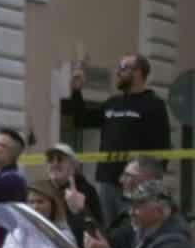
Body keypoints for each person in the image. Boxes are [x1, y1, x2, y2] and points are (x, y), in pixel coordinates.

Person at [64, 54, 172, 215]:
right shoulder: (113, 103)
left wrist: (151, 182)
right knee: (109, 228)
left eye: (123, 68)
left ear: (138, 72)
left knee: (134, 226)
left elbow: (163, 147)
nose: (118, 72)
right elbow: (82, 121)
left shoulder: (154, 104)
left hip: (136, 183)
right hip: (108, 181)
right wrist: (77, 91)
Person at [44, 143, 104, 236]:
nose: (55, 164)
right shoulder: (43, 189)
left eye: (60, 159)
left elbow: (97, 229)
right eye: (50, 160)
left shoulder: (85, 190)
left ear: (73, 167)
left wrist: (80, 210)